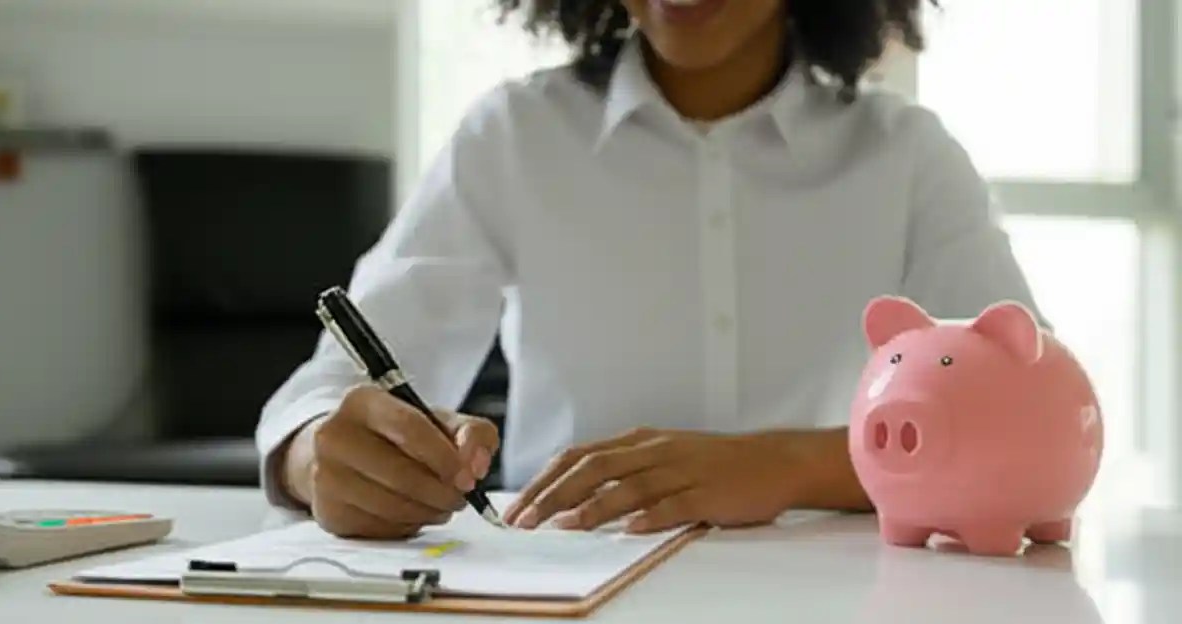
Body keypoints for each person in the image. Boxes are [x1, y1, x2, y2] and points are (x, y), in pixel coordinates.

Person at [257, 0, 1043, 539]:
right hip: (562, 601)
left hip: (835, 606)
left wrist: (790, 466)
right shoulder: (515, 135)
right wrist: (320, 452)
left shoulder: (906, 155)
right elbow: (327, 392)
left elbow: (1032, 421)